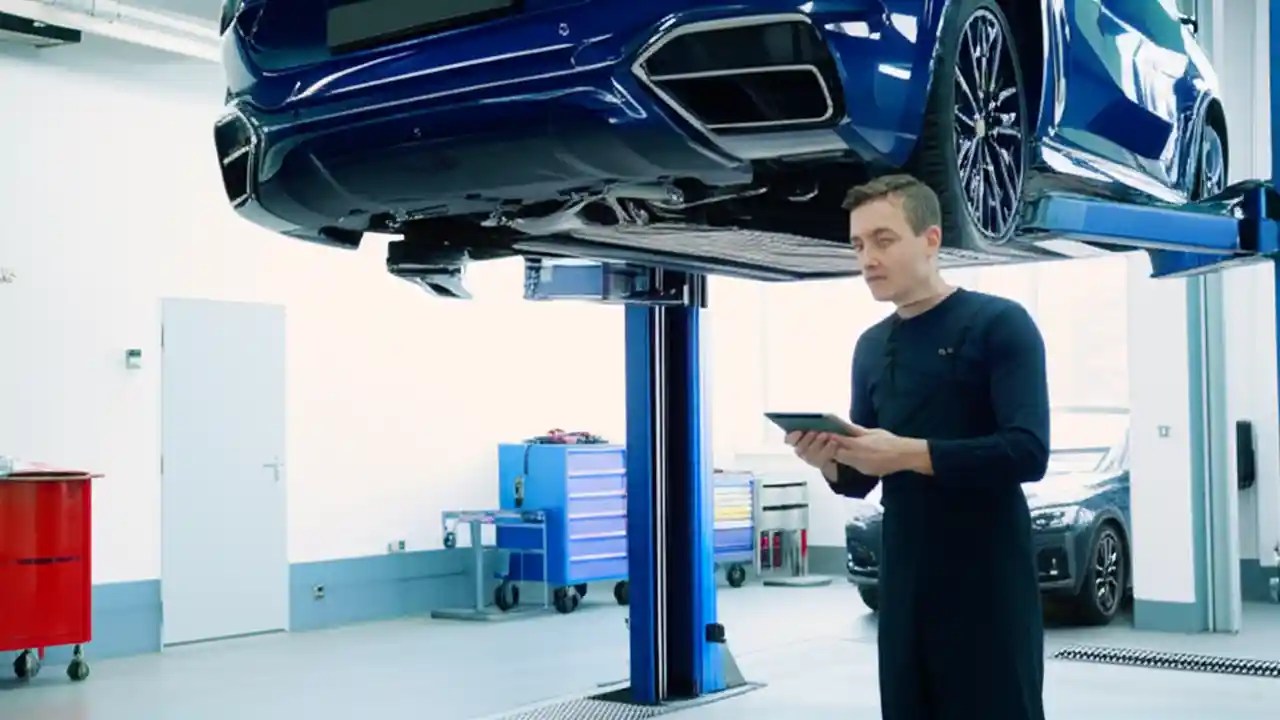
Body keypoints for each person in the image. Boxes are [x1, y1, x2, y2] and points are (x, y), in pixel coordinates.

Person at [786, 174, 1050, 720]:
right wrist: (828, 458)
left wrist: (908, 453)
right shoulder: (872, 345)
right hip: (905, 576)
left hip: (988, 576)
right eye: (858, 245)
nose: (867, 259)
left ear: (931, 239)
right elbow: (862, 477)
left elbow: (1028, 452)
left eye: (884, 240)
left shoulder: (1000, 324)